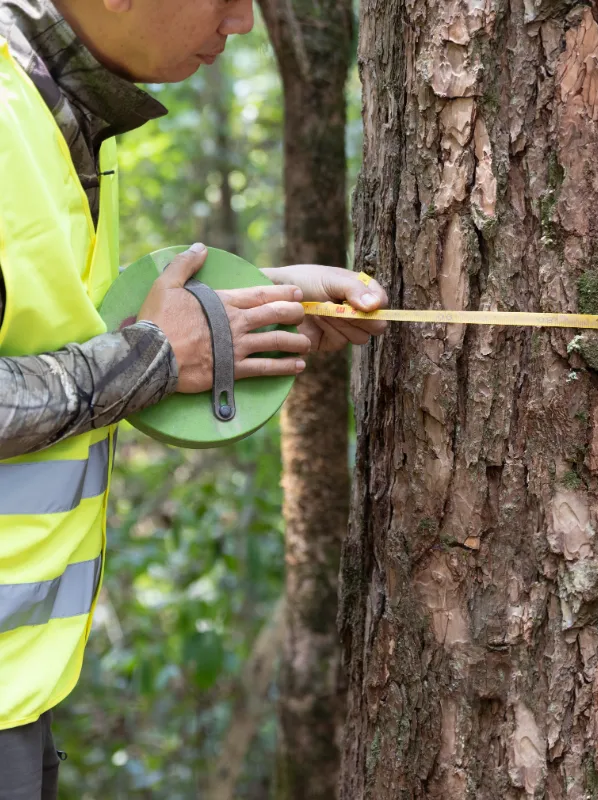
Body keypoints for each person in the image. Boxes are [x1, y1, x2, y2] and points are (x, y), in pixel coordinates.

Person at [0, 0, 388, 796]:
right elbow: (131, 351)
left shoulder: (58, 110)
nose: (243, 22)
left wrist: (244, 311)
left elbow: (53, 334)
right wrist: (152, 357)